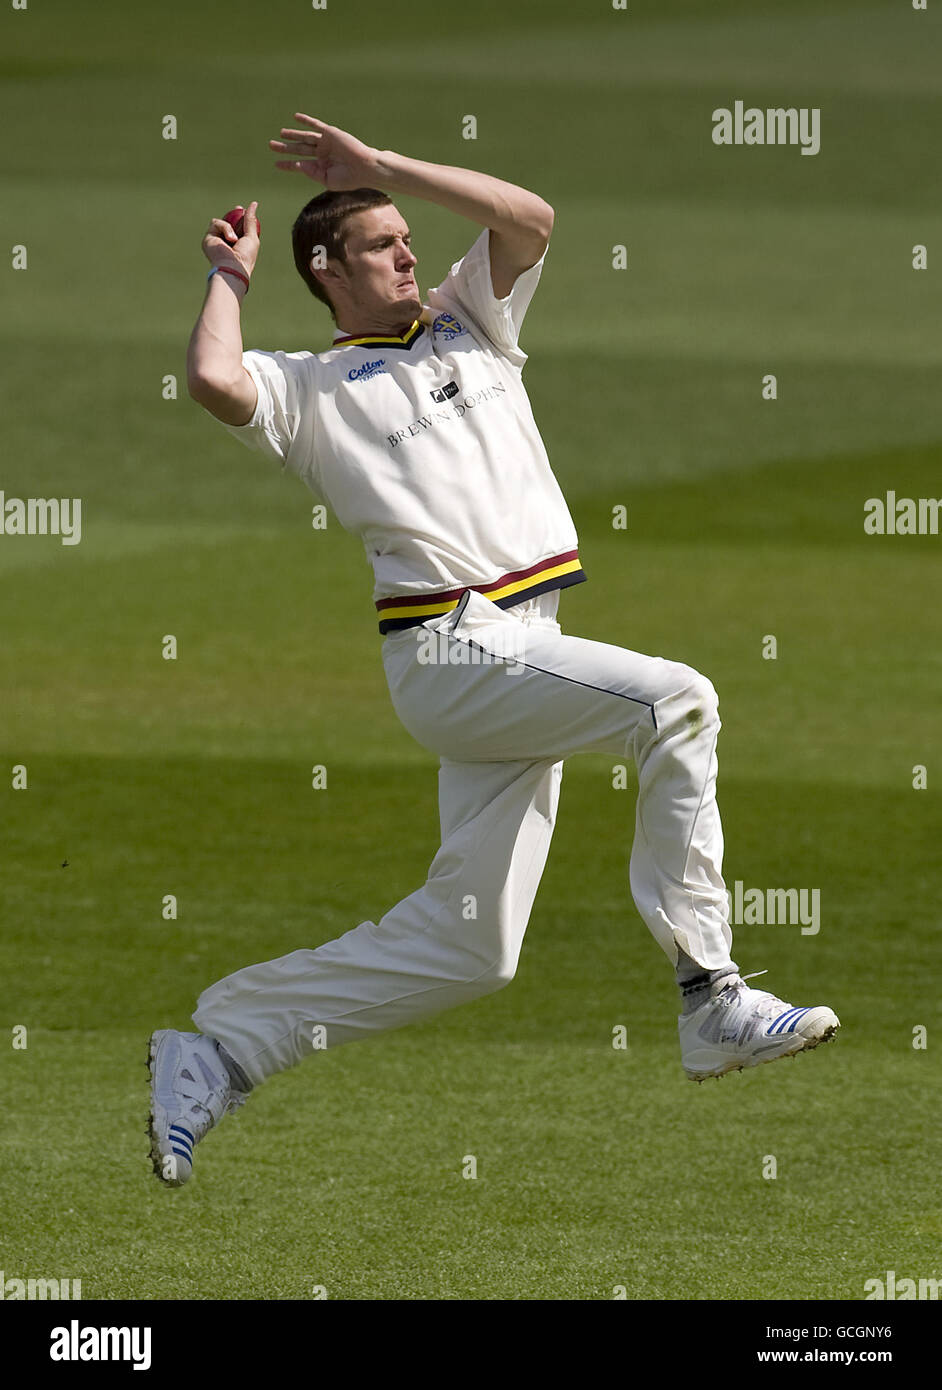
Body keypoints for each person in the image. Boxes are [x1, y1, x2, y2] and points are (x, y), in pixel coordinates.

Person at [148, 115, 839, 1187]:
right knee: (678, 701)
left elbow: (532, 219)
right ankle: (712, 994)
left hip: (527, 649)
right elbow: (209, 380)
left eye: (409, 238)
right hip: (454, 650)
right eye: (383, 245)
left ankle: (223, 1044)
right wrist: (227, 279)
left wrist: (386, 169)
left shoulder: (473, 320)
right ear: (324, 271)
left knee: (477, 948)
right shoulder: (309, 389)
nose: (411, 254)